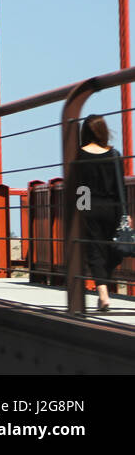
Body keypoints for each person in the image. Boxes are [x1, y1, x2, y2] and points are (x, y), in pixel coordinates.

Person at [73, 114, 127, 313]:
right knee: (114, 250)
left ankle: (103, 294)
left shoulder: (80, 155)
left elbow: (81, 188)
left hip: (90, 207)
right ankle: (104, 286)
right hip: (112, 207)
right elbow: (120, 187)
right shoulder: (114, 154)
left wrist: (82, 210)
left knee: (94, 251)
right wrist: (124, 213)